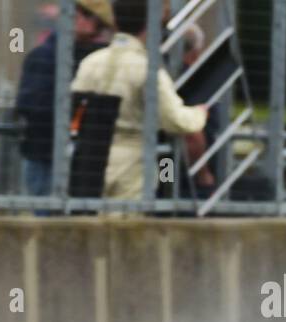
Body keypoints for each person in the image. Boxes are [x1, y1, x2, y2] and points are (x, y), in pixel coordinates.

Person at [70, 0, 211, 202]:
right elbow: (176, 121)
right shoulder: (148, 69)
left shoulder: (90, 63)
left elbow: (74, 110)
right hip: (135, 164)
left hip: (88, 160)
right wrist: (199, 113)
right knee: (128, 227)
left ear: (115, 21)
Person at [15, 1, 116, 197]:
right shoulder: (44, 57)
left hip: (81, 161)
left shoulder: (98, 59)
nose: (97, 27)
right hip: (46, 160)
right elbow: (30, 108)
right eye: (88, 16)